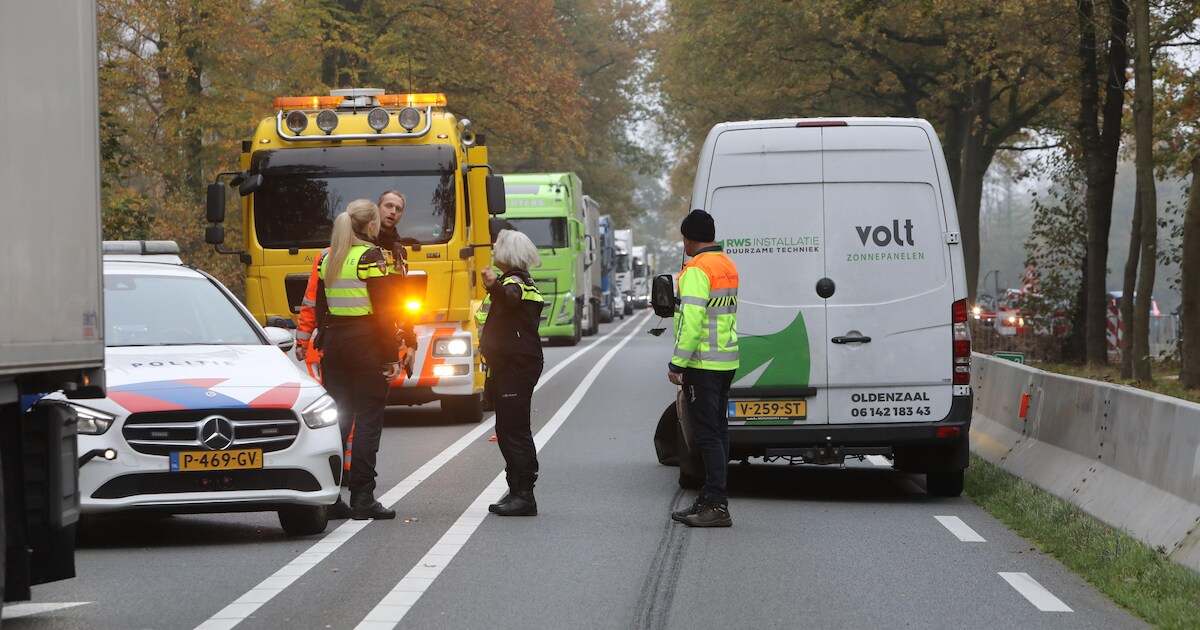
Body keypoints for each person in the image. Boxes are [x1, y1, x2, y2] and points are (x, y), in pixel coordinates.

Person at [315, 198, 404, 520]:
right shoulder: (371, 256)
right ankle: (363, 497)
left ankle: (330, 497)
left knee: (337, 421)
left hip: (335, 345)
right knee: (368, 421)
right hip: (365, 342)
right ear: (370, 226)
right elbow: (384, 312)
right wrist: (392, 355)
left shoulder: (329, 258)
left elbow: (321, 308)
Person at [668, 209, 739, 528]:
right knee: (719, 431)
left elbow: (693, 321)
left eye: (684, 237)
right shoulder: (726, 264)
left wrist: (677, 363)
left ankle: (717, 504)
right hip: (726, 360)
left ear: (689, 238)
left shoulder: (697, 269)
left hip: (703, 363)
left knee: (707, 434)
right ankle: (711, 495)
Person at [296, 190, 408, 366]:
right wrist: (391, 354)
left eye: (398, 208)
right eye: (388, 206)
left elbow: (401, 299)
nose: (393, 211)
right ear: (375, 216)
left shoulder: (397, 253)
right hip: (369, 339)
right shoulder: (367, 255)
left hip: (345, 340)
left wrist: (409, 340)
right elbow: (313, 301)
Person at [480, 229, 545, 517]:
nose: (494, 248)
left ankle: (524, 495)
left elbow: (509, 298)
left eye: (498, 245)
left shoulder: (516, 282)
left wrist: (493, 286)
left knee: (515, 430)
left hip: (517, 365)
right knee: (506, 430)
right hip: (508, 364)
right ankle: (516, 489)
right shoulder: (513, 280)